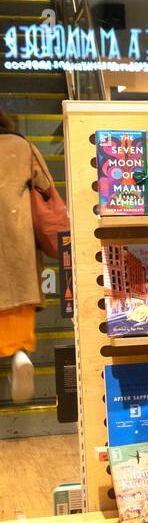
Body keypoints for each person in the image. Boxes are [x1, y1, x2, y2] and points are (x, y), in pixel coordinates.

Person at [0, 108, 56, 403]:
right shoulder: (21, 146)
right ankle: (20, 354)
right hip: (16, 239)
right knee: (18, 294)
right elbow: (46, 187)